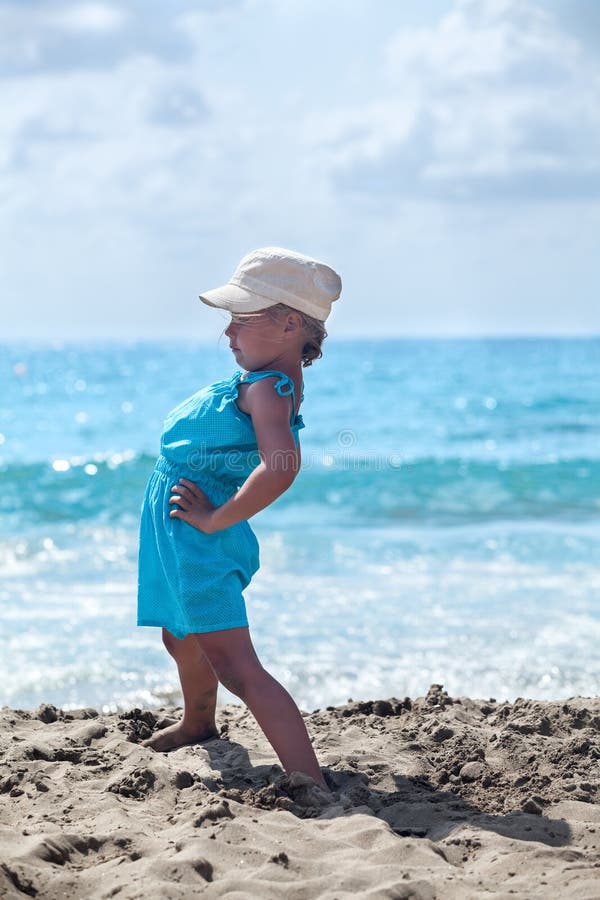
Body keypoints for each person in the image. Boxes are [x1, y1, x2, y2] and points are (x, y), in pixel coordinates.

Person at [136, 246, 342, 795]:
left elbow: (281, 465)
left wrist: (216, 519)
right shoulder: (261, 380)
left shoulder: (266, 388)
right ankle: (198, 721)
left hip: (200, 535)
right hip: (180, 528)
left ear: (290, 322)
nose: (228, 332)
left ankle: (308, 779)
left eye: (241, 320)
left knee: (237, 665)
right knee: (180, 635)